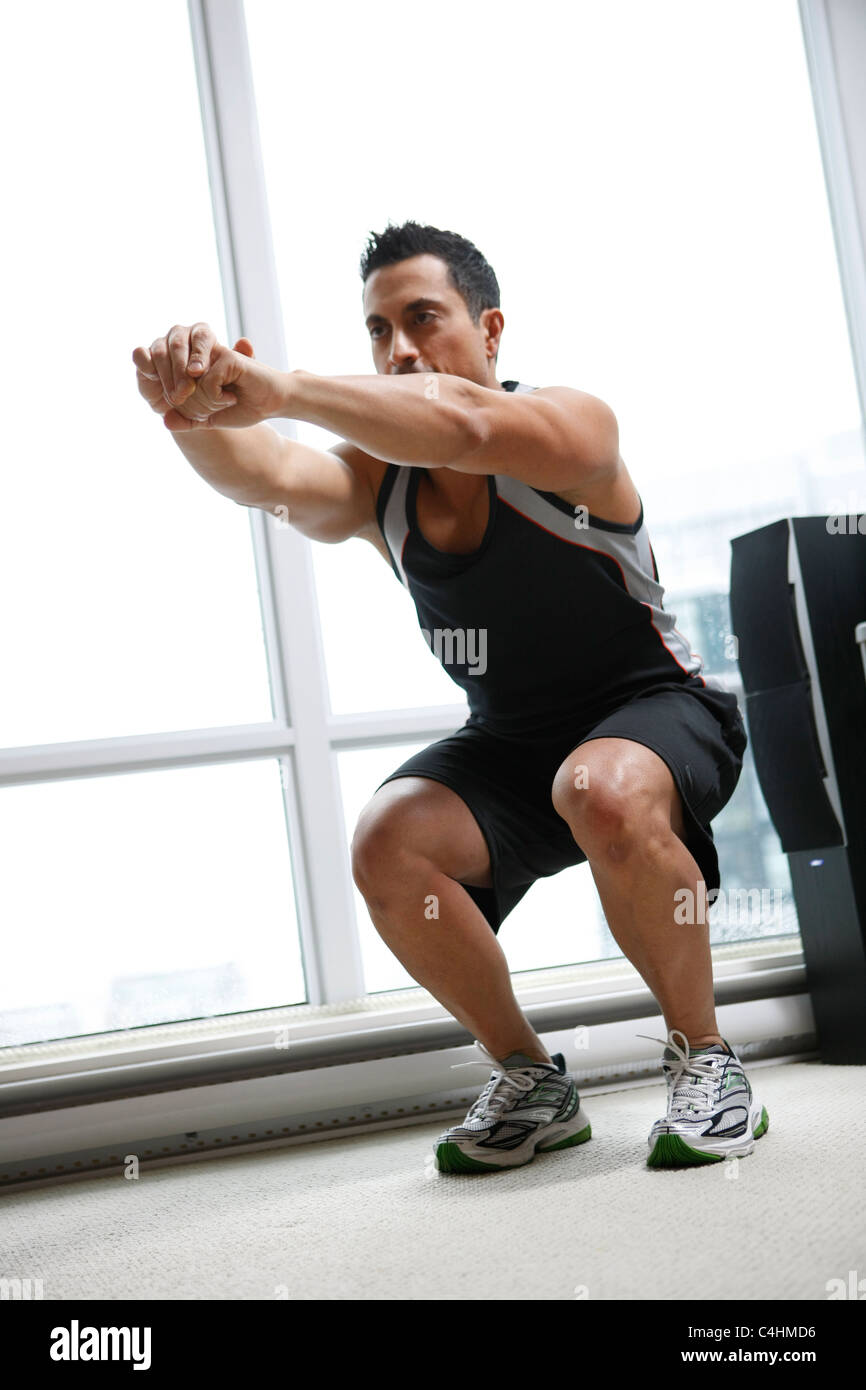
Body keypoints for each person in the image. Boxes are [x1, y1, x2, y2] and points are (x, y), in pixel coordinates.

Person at [132, 219, 769, 1173]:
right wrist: (194, 413)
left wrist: (286, 390)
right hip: (512, 746)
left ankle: (708, 1061)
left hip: (653, 715)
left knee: (598, 787)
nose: (399, 350)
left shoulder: (573, 429)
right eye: (379, 331)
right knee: (386, 844)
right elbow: (268, 474)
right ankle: (530, 1079)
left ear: (492, 329)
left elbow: (466, 427)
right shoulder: (378, 488)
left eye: (422, 318)